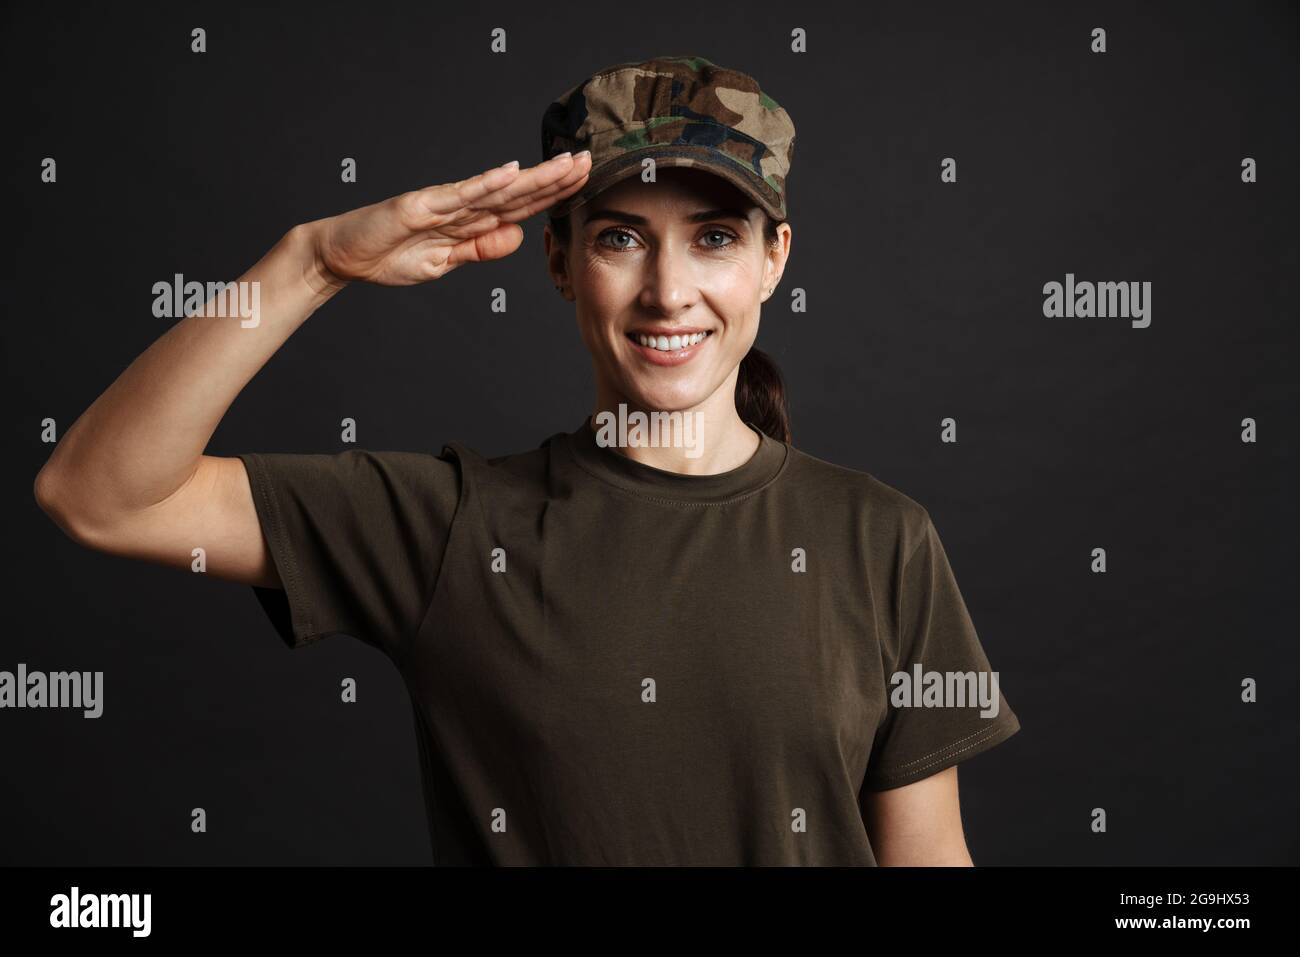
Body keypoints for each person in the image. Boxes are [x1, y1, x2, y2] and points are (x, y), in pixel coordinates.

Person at [33, 55, 1021, 865]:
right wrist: (312, 263)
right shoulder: (451, 527)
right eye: (622, 239)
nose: (669, 291)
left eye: (714, 238)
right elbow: (101, 497)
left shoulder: (879, 537)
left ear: (774, 258)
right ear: (558, 261)